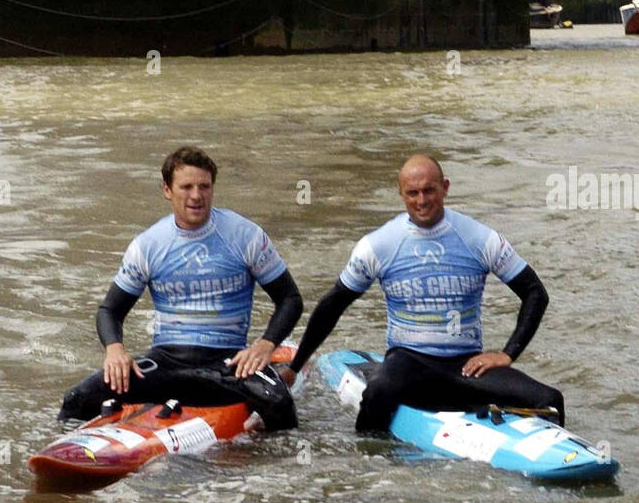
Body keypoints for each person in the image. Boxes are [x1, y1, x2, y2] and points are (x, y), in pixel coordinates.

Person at [282, 154, 564, 431]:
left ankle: (557, 463)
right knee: (379, 390)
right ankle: (372, 467)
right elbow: (333, 305)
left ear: (446, 188)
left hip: (465, 366)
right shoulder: (379, 245)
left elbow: (535, 293)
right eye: (412, 193)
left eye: (429, 190)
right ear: (401, 194)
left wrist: (507, 354)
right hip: (408, 362)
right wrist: (295, 366)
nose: (422, 201)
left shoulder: (480, 238)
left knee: (550, 400)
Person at [59, 146, 302, 430]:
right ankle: (73, 451)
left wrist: (264, 345)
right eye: (186, 187)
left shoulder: (244, 236)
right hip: (167, 363)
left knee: (278, 401)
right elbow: (110, 310)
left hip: (227, 364)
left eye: (204, 186)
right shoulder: (149, 245)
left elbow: (290, 299)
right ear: (167, 190)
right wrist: (115, 349)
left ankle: (270, 465)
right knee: (77, 398)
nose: (196, 196)